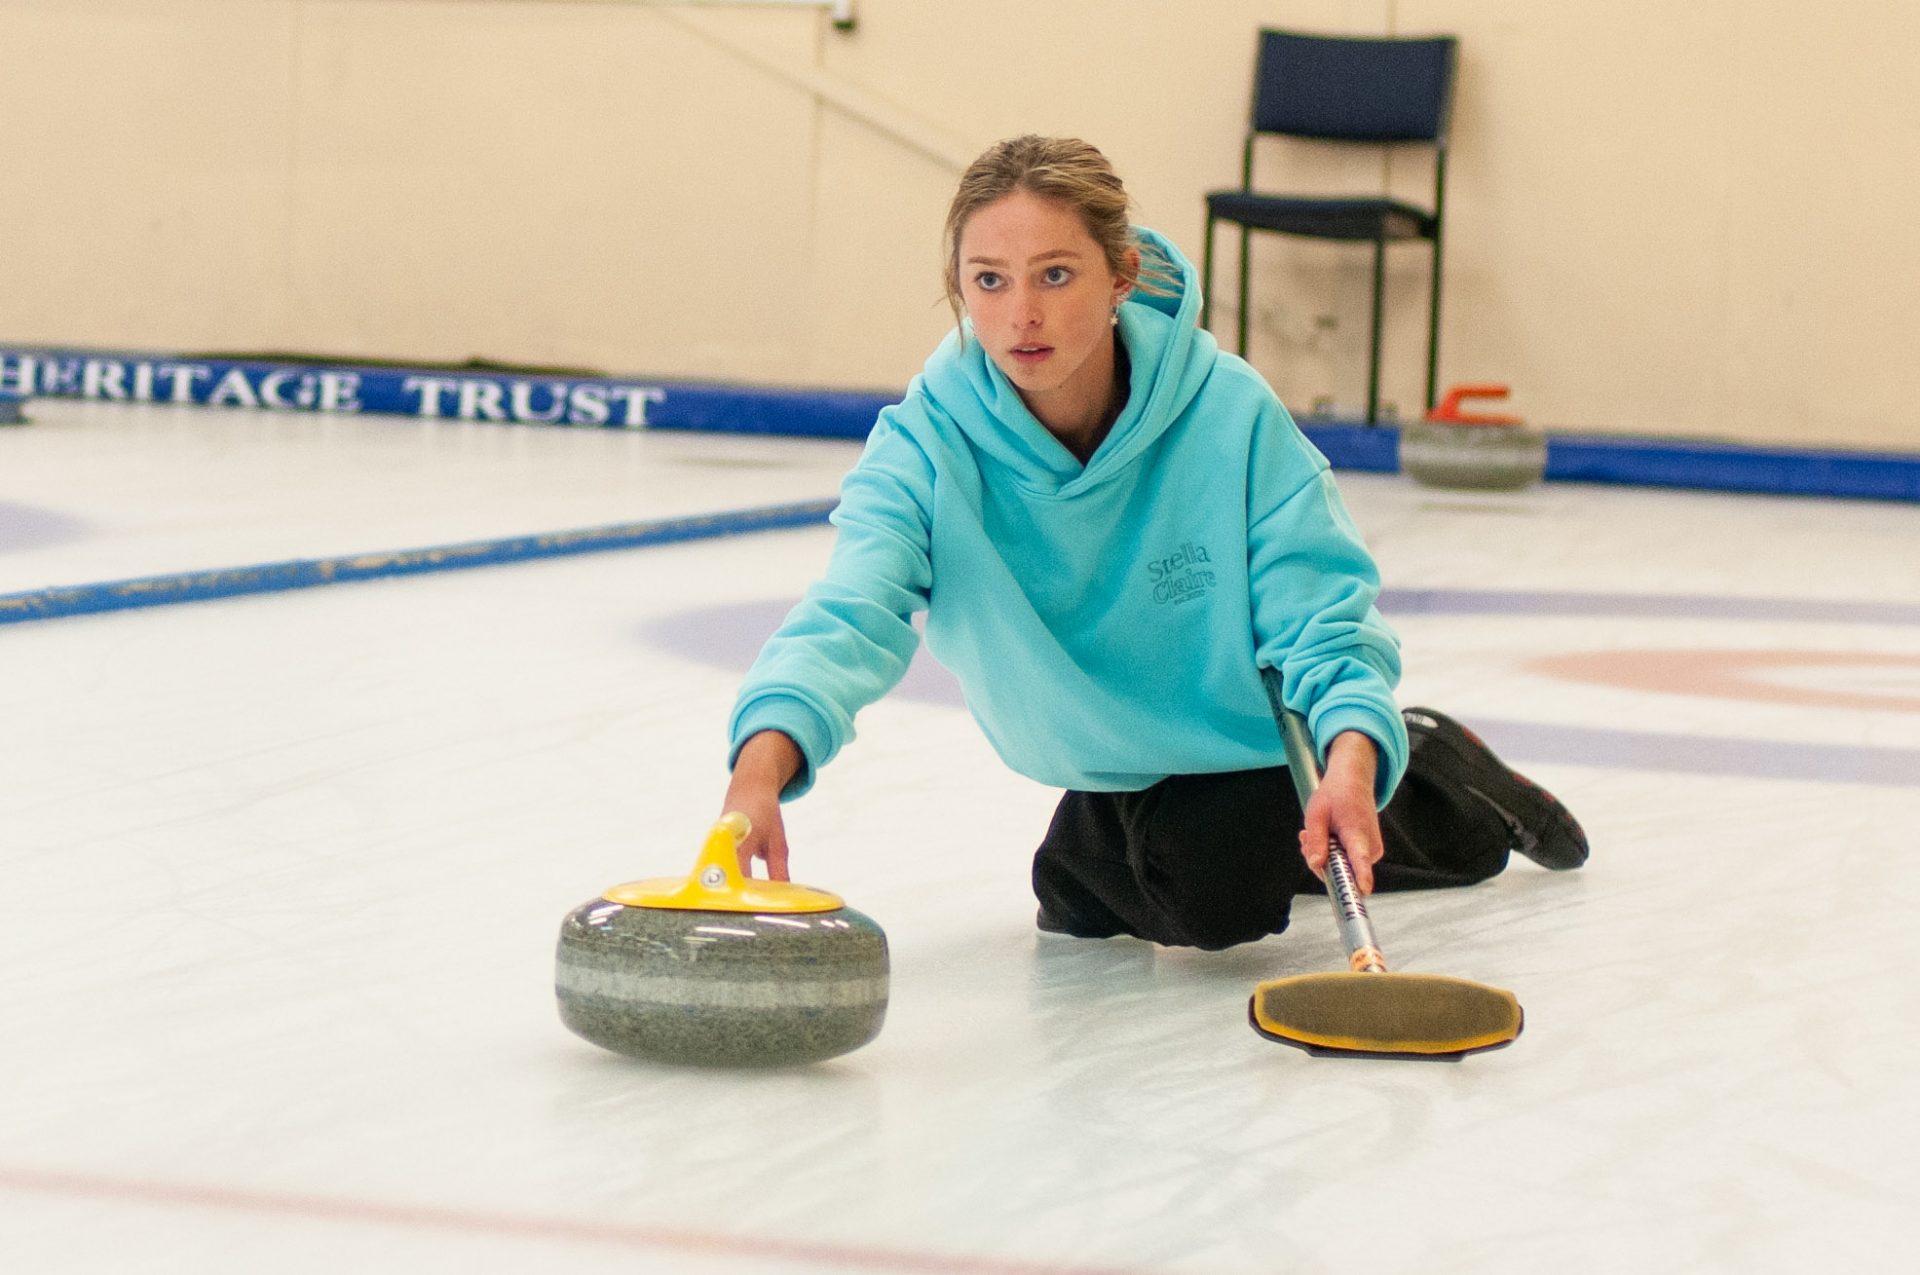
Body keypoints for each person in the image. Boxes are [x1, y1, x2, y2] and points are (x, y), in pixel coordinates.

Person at [721, 135, 1585, 951]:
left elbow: (1319, 618)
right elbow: (854, 609)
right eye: (988, 281)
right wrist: (761, 769)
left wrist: (1354, 752)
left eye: (1055, 274)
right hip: (1111, 757)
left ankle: (1437, 777)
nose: (1021, 314)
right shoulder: (923, 445)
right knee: (1083, 907)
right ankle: (1111, 838)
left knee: (1209, 899)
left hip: (1248, 740)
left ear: (1121, 274)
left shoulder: (1231, 413)